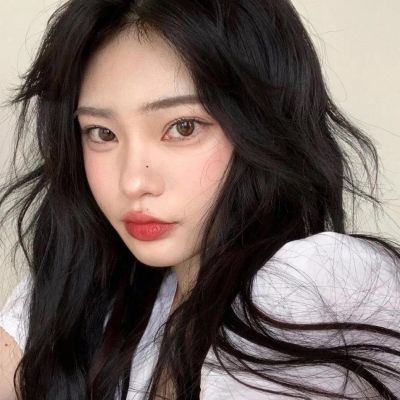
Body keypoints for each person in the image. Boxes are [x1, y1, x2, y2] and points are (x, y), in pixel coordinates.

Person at [0, 0, 399, 399]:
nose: (133, 182)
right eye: (102, 133)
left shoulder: (311, 282)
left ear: (261, 124)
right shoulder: (93, 294)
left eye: (183, 127)